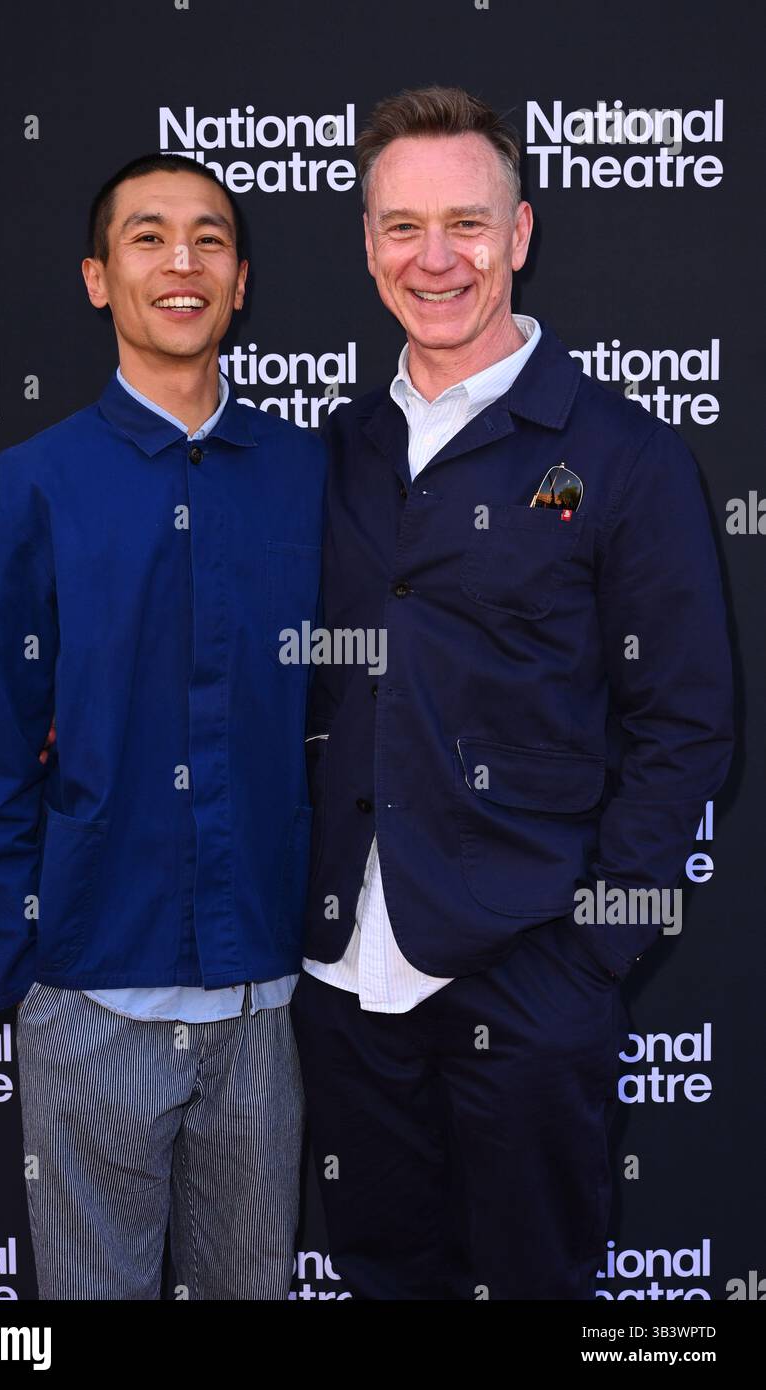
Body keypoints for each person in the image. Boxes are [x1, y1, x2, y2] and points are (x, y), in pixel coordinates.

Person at [289, 85, 734, 1300]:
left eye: (466, 224)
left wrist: (588, 951)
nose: (433, 259)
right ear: (365, 241)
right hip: (341, 980)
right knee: (386, 1280)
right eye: (400, 226)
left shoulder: (622, 456)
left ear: (521, 233)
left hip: (528, 976)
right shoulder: (333, 453)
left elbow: (687, 722)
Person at [0, 153, 326, 1300]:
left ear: (241, 281)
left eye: (208, 238)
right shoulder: (31, 484)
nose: (181, 262)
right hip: (86, 999)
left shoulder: (308, 475)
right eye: (147, 237)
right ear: (99, 278)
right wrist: (24, 976)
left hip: (262, 1006)